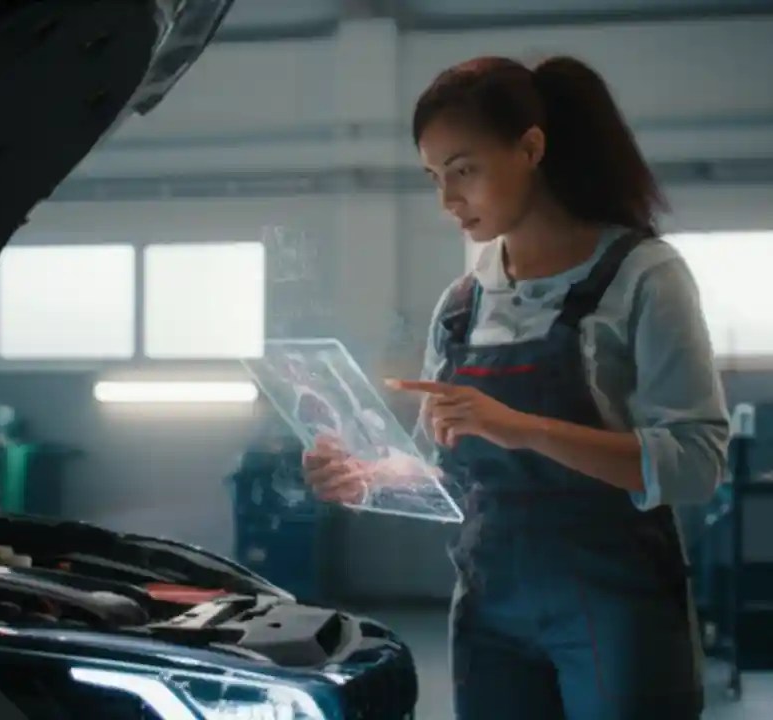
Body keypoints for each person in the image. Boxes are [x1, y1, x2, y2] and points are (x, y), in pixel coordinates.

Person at [304, 55, 730, 719]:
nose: (446, 199)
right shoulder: (461, 304)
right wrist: (366, 475)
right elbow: (440, 466)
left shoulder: (644, 276)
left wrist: (520, 426)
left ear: (531, 148)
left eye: (464, 169)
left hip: (615, 609)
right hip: (488, 611)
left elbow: (697, 463)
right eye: (434, 176)